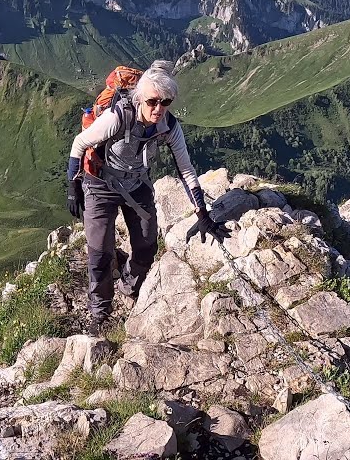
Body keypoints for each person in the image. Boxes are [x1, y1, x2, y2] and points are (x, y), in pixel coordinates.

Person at [65, 60, 229, 332]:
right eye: (153, 101)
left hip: (137, 183)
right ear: (140, 98)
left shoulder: (168, 126)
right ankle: (100, 313)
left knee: (146, 246)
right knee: (99, 253)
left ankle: (128, 289)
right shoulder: (117, 117)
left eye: (166, 102)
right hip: (99, 184)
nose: (159, 108)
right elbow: (80, 142)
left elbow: (185, 168)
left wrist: (202, 213)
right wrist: (73, 185)